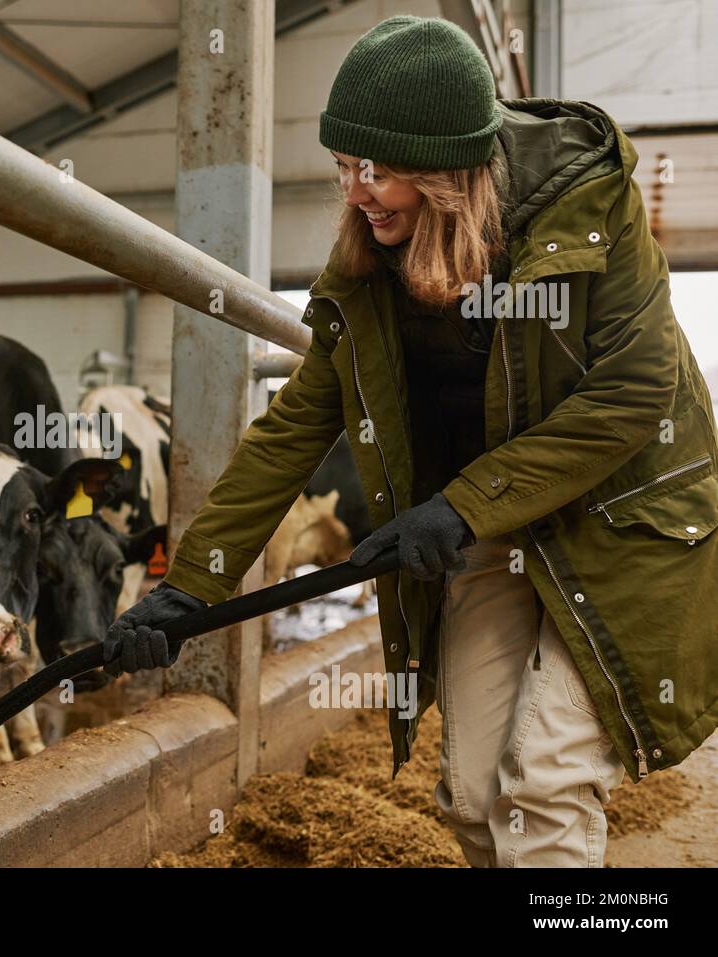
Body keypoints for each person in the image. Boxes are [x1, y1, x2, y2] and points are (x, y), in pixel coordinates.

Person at [103, 15, 718, 868]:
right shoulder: (368, 267)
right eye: (345, 166)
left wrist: (460, 507)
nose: (355, 190)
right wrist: (189, 585)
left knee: (542, 782)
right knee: (471, 795)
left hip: (623, 514)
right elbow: (292, 427)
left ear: (451, 171)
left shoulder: (589, 204)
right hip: (488, 523)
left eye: (379, 171)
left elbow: (633, 392)